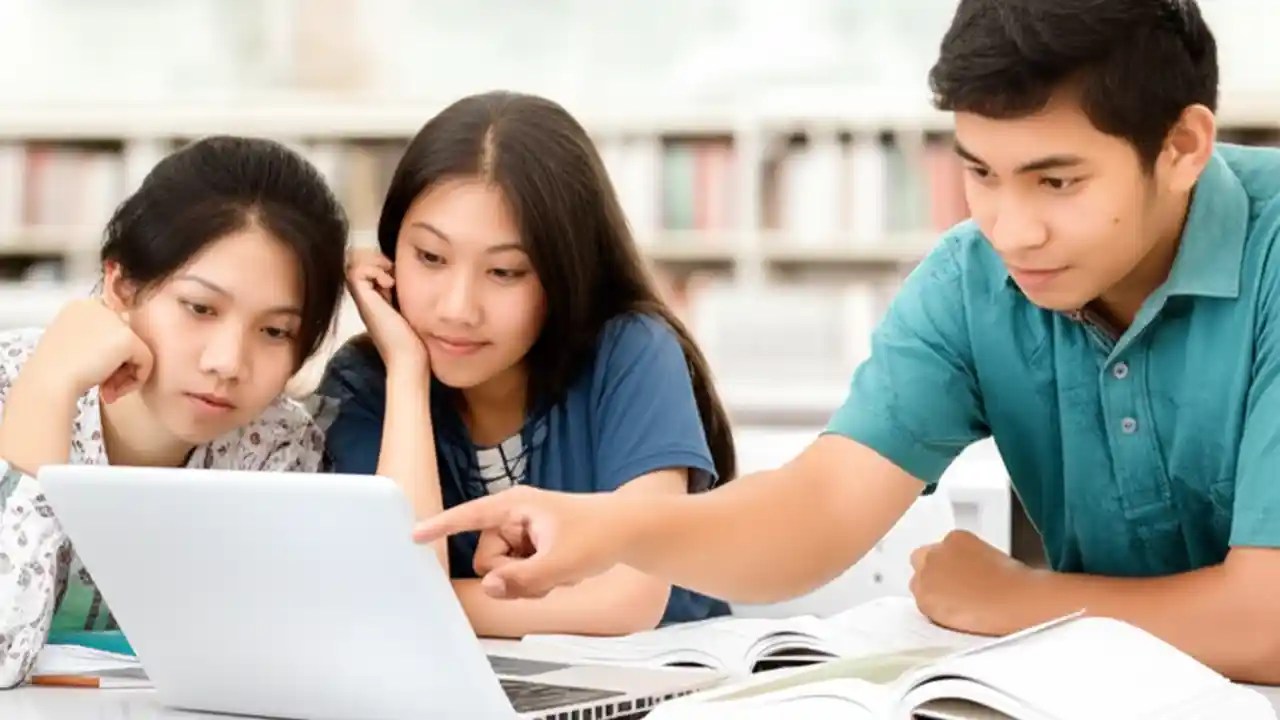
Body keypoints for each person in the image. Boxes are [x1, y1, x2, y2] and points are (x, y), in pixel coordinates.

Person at [415, 0, 1280, 684]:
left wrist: (1025, 601)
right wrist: (612, 530)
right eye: (979, 172)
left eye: (1057, 182)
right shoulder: (972, 281)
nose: (1012, 230)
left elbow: (1269, 623)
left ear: (1181, 147)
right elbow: (819, 511)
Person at [317, 91, 736, 638]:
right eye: (430, 258)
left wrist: (416, 603)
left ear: (565, 273)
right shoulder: (370, 384)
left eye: (505, 272)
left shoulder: (631, 352)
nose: (457, 309)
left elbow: (628, 599)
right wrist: (407, 371)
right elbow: (391, 591)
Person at [0, 135, 349, 688]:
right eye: (199, 308)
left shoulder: (277, 445)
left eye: (275, 331)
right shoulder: (8, 381)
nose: (229, 362)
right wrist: (48, 391)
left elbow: (263, 668)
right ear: (120, 285)